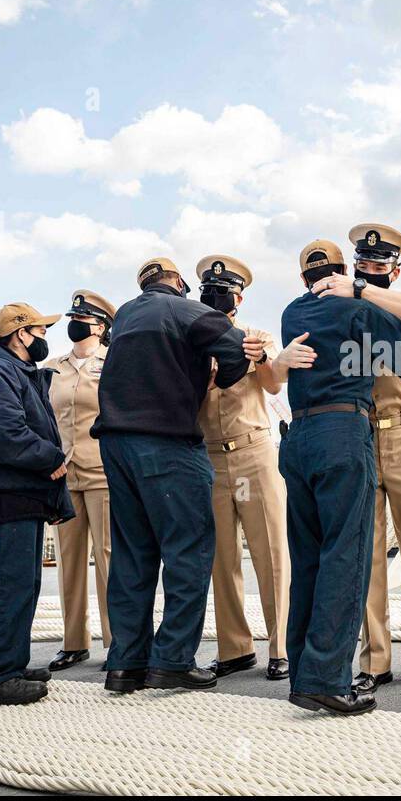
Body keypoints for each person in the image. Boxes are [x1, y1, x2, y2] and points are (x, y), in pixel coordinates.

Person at [276, 240, 401, 716]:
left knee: (316, 560)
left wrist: (362, 291)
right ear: (342, 271)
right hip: (349, 434)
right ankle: (336, 674)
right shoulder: (360, 314)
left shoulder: (293, 312)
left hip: (314, 437)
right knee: (350, 558)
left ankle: (311, 671)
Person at [91, 257, 251, 694]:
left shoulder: (123, 315)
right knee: (187, 551)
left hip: (115, 448)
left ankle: (126, 664)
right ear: (178, 283)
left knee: (132, 554)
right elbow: (234, 349)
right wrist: (221, 375)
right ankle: (173, 659)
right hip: (167, 446)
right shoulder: (188, 311)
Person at [310, 223, 401, 693]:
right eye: (363, 265)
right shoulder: (340, 308)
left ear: (395, 269)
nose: (369, 271)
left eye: (379, 266)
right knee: (366, 554)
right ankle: (375, 660)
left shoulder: (392, 305)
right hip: (359, 436)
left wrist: (363, 290)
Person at [0, 303, 76, 706]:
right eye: (41, 330)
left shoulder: (12, 372)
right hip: (4, 496)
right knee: (10, 586)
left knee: (23, 584)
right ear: (22, 334)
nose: (45, 337)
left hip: (19, 496)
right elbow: (6, 432)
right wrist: (50, 458)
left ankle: (11, 663)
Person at [196, 255, 292, 682]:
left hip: (253, 452)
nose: (217, 296)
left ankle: (282, 645)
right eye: (210, 289)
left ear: (239, 296)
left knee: (270, 551)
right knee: (221, 556)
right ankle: (235, 647)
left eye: (225, 289)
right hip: (210, 457)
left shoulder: (257, 336)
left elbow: (273, 383)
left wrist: (257, 358)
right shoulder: (191, 340)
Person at [47, 290, 117, 672]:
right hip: (64, 475)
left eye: (83, 318)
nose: (75, 324)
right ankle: (74, 641)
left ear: (100, 326)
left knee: (108, 559)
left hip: (103, 472)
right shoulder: (54, 367)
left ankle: (117, 640)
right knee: (68, 561)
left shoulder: (113, 363)